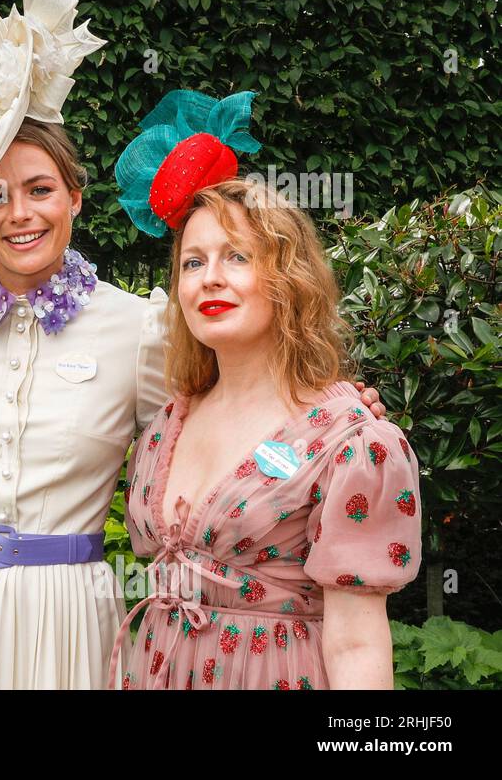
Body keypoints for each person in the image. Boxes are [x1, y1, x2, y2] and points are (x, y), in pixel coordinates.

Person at [0, 0, 385, 689]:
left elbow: (230, 412)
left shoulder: (140, 327)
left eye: (39, 188)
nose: (17, 212)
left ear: (76, 197)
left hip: (68, 612)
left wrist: (328, 413)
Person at [107, 91, 421, 689]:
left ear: (287, 279)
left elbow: (356, 642)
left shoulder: (353, 442)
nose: (211, 279)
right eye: (192, 263)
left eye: (237, 257)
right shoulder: (170, 419)